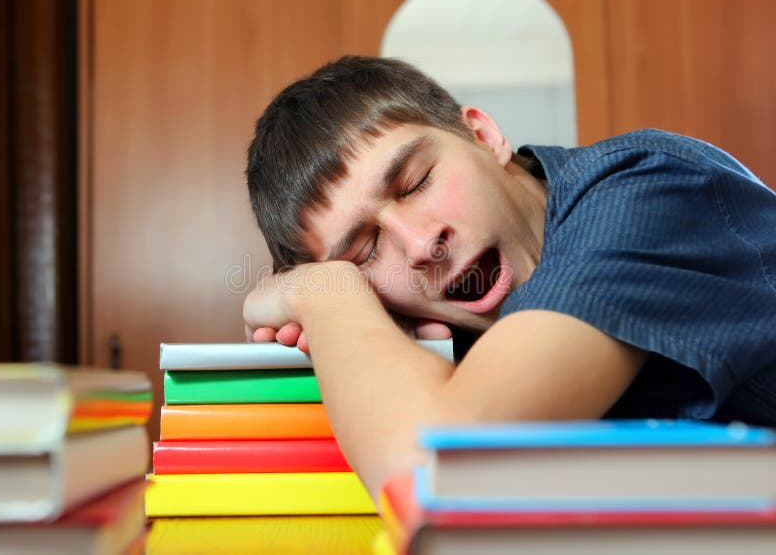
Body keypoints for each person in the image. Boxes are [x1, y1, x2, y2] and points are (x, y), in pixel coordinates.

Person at [243, 56, 776, 498]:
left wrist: (324, 294)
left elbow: (430, 470)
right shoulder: (437, 328)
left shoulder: (642, 190)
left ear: (483, 134)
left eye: (417, 182)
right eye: (364, 251)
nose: (421, 244)